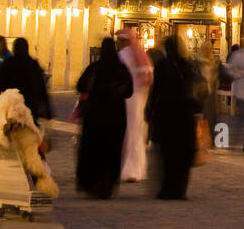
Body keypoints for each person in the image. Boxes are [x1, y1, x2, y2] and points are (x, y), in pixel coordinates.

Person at [76, 38, 135, 199]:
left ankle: (93, 183)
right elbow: (129, 91)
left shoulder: (94, 68)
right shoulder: (121, 69)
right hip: (115, 116)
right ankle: (107, 184)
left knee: (94, 149)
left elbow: (80, 85)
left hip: (95, 115)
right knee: (112, 150)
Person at [147, 36, 200, 200]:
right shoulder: (187, 65)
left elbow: (155, 90)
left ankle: (167, 188)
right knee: (182, 155)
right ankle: (180, 189)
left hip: (167, 116)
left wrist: (149, 110)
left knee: (167, 155)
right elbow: (195, 90)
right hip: (184, 117)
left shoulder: (163, 65)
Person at [116, 27, 153, 181]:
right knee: (137, 132)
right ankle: (137, 169)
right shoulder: (140, 55)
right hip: (140, 98)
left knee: (127, 132)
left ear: (124, 41)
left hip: (127, 99)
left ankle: (128, 169)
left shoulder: (122, 55)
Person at [0, 37, 51, 124]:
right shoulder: (33, 64)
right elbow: (41, 86)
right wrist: (47, 108)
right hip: (30, 104)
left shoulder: (8, 63)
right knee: (30, 130)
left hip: (12, 103)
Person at [193, 41, 219, 147]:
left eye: (209, 49)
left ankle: (210, 140)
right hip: (200, 93)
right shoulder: (196, 62)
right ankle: (199, 140)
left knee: (211, 117)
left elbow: (223, 74)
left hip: (211, 92)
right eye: (206, 49)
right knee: (200, 117)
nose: (208, 51)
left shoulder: (215, 62)